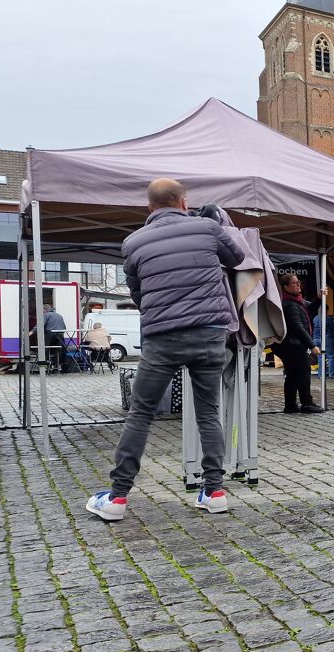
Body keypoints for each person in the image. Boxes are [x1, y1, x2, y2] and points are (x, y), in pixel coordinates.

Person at [86, 178, 246, 522]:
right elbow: (238, 257)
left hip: (163, 338)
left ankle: (116, 498)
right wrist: (216, 224)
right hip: (209, 333)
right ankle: (214, 491)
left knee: (140, 414)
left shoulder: (133, 242)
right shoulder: (207, 227)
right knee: (208, 413)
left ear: (150, 207)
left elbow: (138, 294)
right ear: (184, 202)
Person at [271, 274, 324, 413]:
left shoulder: (297, 301)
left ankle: (290, 405)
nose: (298, 285)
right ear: (286, 287)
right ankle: (307, 403)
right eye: (294, 283)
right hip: (292, 345)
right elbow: (297, 327)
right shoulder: (289, 304)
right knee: (303, 372)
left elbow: (310, 309)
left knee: (293, 375)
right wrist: (312, 345)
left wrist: (318, 298)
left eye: (298, 282)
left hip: (290, 345)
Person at [311, 304, 334, 379]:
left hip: (316, 339)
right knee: (331, 356)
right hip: (326, 338)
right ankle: (332, 374)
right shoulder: (328, 318)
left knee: (320, 357)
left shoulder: (315, 318)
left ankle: (321, 375)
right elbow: (332, 328)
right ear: (326, 310)